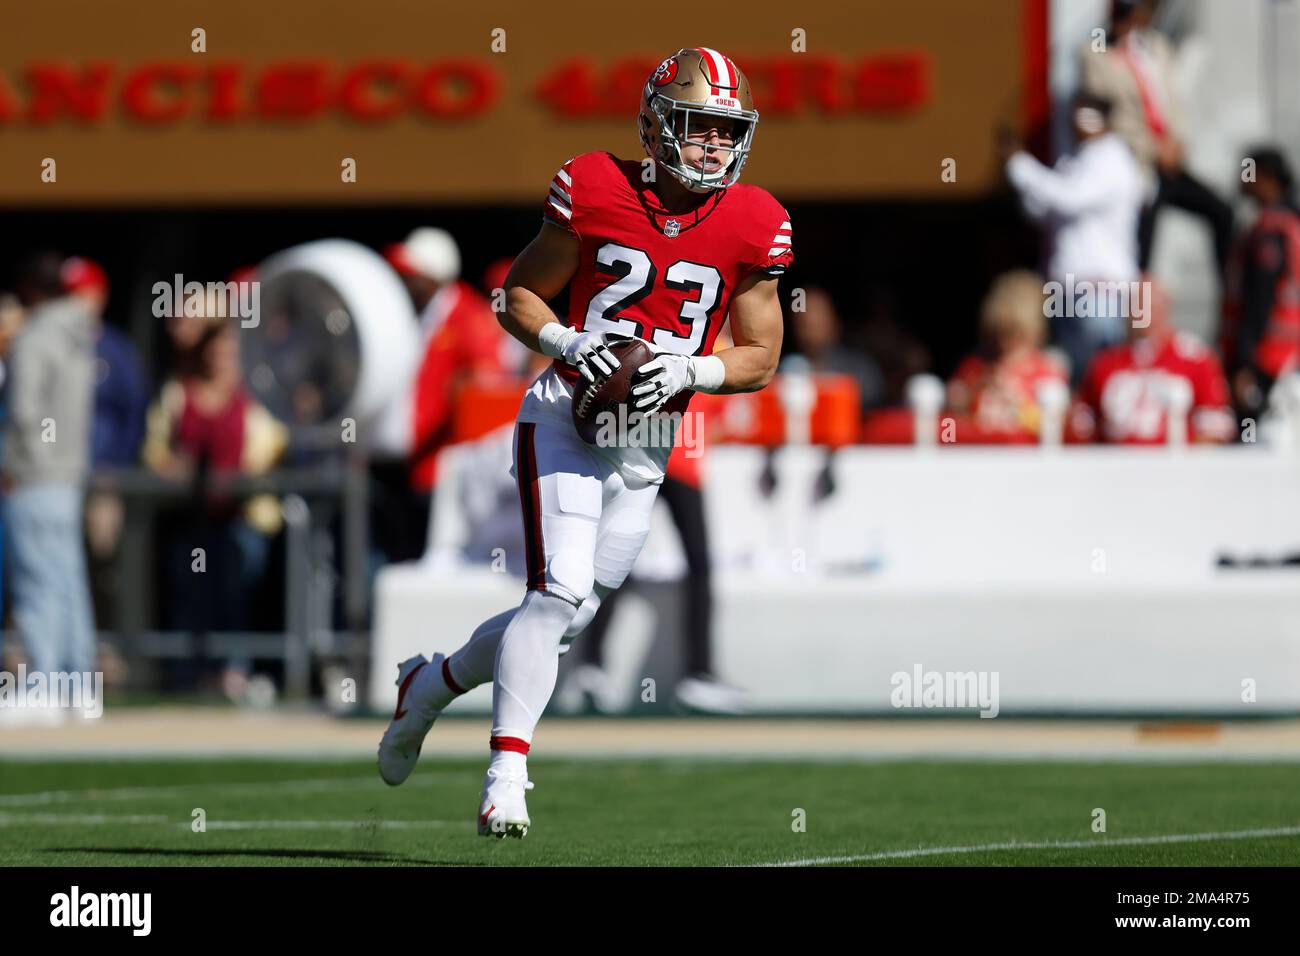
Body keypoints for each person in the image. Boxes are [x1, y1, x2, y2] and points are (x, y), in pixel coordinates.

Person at [376, 47, 792, 838]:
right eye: (697, 127)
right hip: (565, 413)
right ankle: (507, 771)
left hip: (647, 439)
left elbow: (762, 355)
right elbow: (518, 293)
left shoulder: (754, 221)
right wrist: (570, 342)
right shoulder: (596, 187)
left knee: (564, 615)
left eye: (724, 131)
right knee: (560, 592)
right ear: (655, 124)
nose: (712, 147)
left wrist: (693, 370)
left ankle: (430, 683)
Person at [1080, 0, 1233, 277]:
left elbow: (1174, 102)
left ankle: (1230, 292)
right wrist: (1152, 149)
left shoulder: (1157, 48)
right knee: (1143, 241)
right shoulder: (1096, 55)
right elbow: (1110, 117)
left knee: (1221, 212)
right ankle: (1137, 309)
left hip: (1169, 159)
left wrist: (1177, 143)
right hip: (1135, 163)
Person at [1, 251, 97, 682]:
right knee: (68, 583)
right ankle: (76, 682)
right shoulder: (80, 334)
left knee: (39, 585)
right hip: (67, 477)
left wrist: (18, 463)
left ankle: (46, 682)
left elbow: (25, 414)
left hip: (35, 478)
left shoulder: (37, 337)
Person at [1004, 92, 1144, 382]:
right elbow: (1043, 211)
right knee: (1071, 376)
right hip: (1064, 291)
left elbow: (1070, 198)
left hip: (1098, 293)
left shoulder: (1112, 157)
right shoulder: (1076, 160)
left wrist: (1021, 166)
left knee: (1097, 374)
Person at [1078, 276, 1233, 444]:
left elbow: (1216, 428)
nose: (1143, 313)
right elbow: (1082, 426)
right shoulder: (1105, 363)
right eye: (1137, 305)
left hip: (1175, 464)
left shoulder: (1194, 358)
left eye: (1151, 306)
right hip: (1115, 464)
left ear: (1166, 308)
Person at [1221, 147, 1300, 419]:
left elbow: (1258, 299)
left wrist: (1244, 365)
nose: (1242, 180)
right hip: (1288, 358)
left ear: (1266, 178)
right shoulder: (1290, 224)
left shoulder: (1270, 231)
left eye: (1248, 173)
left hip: (1267, 361)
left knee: (1255, 441)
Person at [946, 271, 1068, 443]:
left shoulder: (1048, 371)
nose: (1006, 345)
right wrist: (973, 394)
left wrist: (1018, 404)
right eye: (999, 334)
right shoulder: (975, 368)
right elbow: (947, 420)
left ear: (1035, 333)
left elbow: (1059, 428)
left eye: (1016, 335)